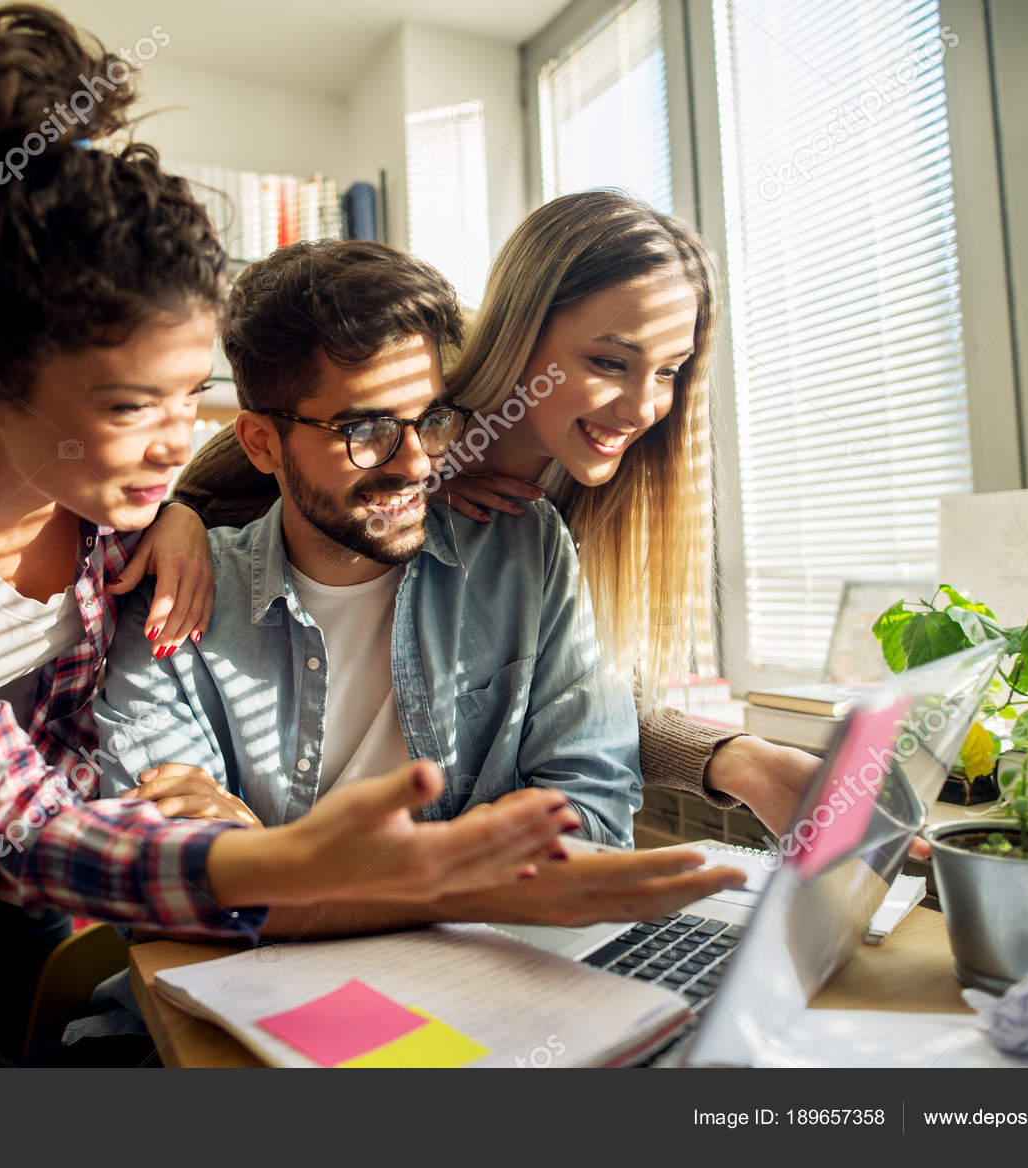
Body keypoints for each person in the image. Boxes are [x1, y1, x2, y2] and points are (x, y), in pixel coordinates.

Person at [0, 4, 579, 1068]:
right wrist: (286, 863)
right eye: (126, 407)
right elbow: (15, 822)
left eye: (186, 397)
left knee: (14, 1021)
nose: (170, 445)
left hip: (24, 787)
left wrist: (193, 511)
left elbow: (294, 459)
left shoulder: (133, 502)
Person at [98, 238, 747, 938]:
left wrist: (278, 873)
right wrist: (455, 878)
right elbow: (172, 882)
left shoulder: (524, 548)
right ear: (260, 445)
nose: (416, 465)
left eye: (432, 420)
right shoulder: (173, 595)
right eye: (366, 429)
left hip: (481, 982)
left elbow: (592, 813)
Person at [174, 192, 819, 838]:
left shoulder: (585, 504)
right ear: (521, 334)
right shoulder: (421, 376)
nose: (641, 407)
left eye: (669, 372)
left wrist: (736, 759)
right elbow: (245, 458)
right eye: (609, 362)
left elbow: (590, 713)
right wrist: (175, 521)